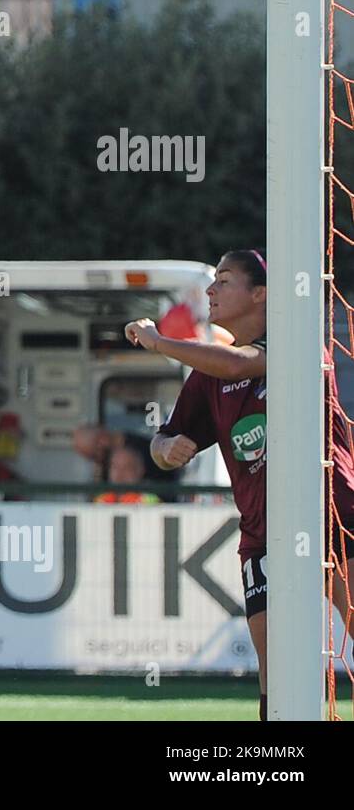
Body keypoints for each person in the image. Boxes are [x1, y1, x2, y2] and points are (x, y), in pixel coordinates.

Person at [128, 249, 354, 720]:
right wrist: (162, 449)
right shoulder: (209, 375)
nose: (211, 291)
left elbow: (237, 365)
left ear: (260, 293)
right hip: (263, 532)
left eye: (224, 280)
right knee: (276, 666)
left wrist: (158, 341)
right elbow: (167, 437)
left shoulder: (296, 339)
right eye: (212, 281)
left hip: (332, 513)